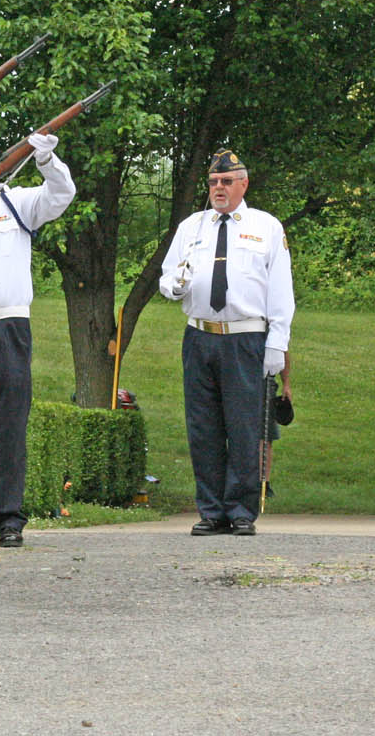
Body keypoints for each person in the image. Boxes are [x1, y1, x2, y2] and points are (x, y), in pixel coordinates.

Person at [158, 149, 293, 536]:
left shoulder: (265, 227)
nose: (219, 188)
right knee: (203, 426)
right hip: (200, 334)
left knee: (245, 426)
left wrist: (276, 346)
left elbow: (281, 293)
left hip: (245, 336)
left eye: (227, 181)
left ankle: (241, 510)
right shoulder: (192, 227)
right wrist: (174, 285)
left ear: (243, 184)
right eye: (214, 182)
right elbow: (168, 276)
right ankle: (211, 510)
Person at [0, 131, 75, 547]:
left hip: (7, 324)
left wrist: (47, 161)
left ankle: (8, 517)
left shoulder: (13, 201)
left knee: (8, 426)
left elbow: (61, 194)